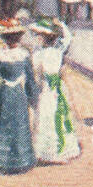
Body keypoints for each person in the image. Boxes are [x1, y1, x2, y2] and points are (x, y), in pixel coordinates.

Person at [0, 18, 39, 173]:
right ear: (19, 38)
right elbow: (31, 80)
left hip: (5, 93)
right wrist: (33, 97)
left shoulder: (0, 56)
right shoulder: (24, 55)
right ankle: (20, 160)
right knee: (19, 123)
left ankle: (1, 160)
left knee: (3, 124)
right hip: (19, 93)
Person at [29, 18, 82, 164]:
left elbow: (35, 72)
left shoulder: (39, 53)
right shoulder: (56, 52)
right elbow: (67, 38)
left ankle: (51, 151)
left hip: (49, 88)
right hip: (52, 88)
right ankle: (50, 151)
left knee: (51, 116)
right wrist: (62, 25)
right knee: (52, 116)